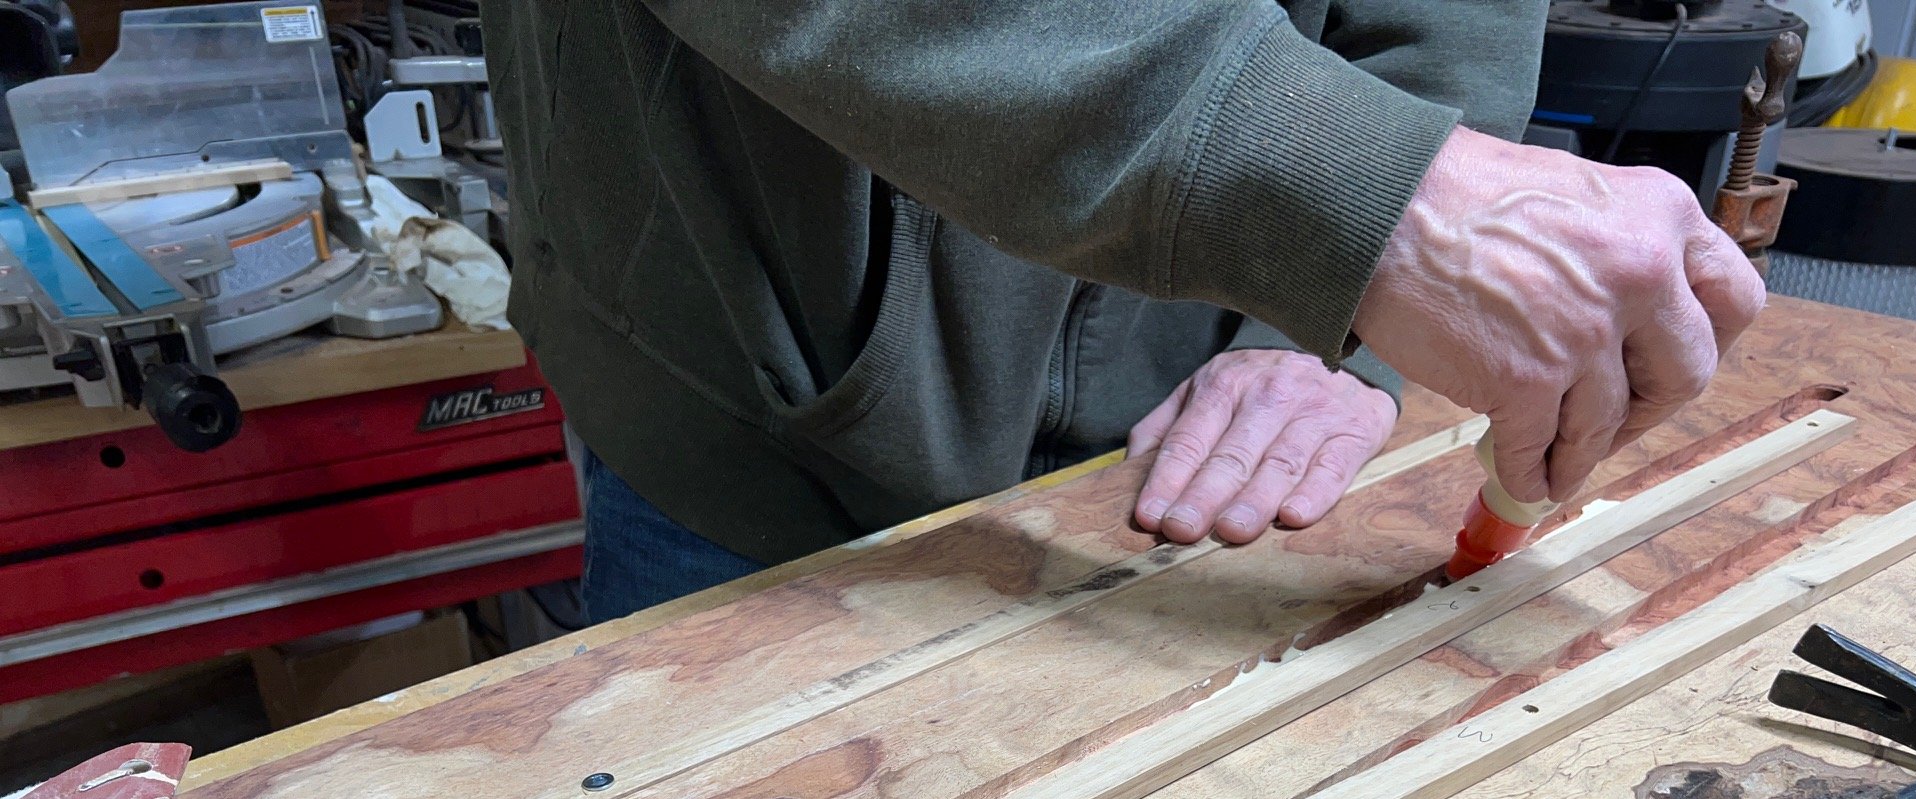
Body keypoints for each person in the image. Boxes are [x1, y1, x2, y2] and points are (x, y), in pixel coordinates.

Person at [484, 1, 1765, 623]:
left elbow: (1443, 20)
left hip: (1190, 424)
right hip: (759, 412)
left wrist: (1332, 302)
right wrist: (1350, 189)